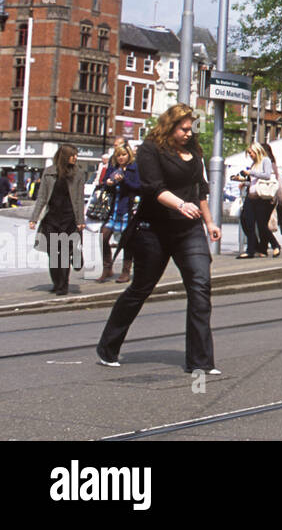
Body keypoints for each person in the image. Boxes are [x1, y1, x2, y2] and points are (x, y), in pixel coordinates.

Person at [95, 104, 221, 373]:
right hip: (153, 230)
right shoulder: (151, 150)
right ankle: (108, 347)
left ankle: (200, 362)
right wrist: (180, 205)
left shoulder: (195, 153)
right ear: (170, 126)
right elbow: (153, 188)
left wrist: (209, 222)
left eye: (190, 129)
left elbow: (200, 191)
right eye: (183, 128)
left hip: (188, 230)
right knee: (140, 289)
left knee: (200, 287)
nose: (188, 133)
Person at [28, 145, 85, 295]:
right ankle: (56, 281)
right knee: (53, 253)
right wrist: (34, 218)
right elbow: (41, 198)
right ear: (64, 156)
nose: (75, 158)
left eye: (76, 155)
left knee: (65, 252)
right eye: (73, 155)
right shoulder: (49, 173)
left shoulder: (78, 173)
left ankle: (63, 284)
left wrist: (80, 220)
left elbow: (79, 199)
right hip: (52, 218)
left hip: (69, 218)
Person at [95, 143, 141, 283]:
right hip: (112, 209)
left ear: (129, 155)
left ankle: (126, 271)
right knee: (103, 237)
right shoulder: (113, 168)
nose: (121, 158)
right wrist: (108, 183)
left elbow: (138, 187)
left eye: (123, 155)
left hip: (128, 208)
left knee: (127, 241)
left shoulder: (134, 169)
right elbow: (105, 183)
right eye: (118, 155)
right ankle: (107, 268)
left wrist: (124, 180)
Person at [236, 143, 278, 258]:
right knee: (246, 220)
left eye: (251, 153)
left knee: (261, 224)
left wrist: (251, 173)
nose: (250, 155)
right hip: (251, 195)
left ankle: (270, 246)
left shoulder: (266, 161)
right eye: (248, 153)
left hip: (261, 197)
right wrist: (244, 182)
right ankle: (253, 247)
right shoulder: (254, 164)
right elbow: (254, 181)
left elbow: (267, 176)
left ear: (257, 151)